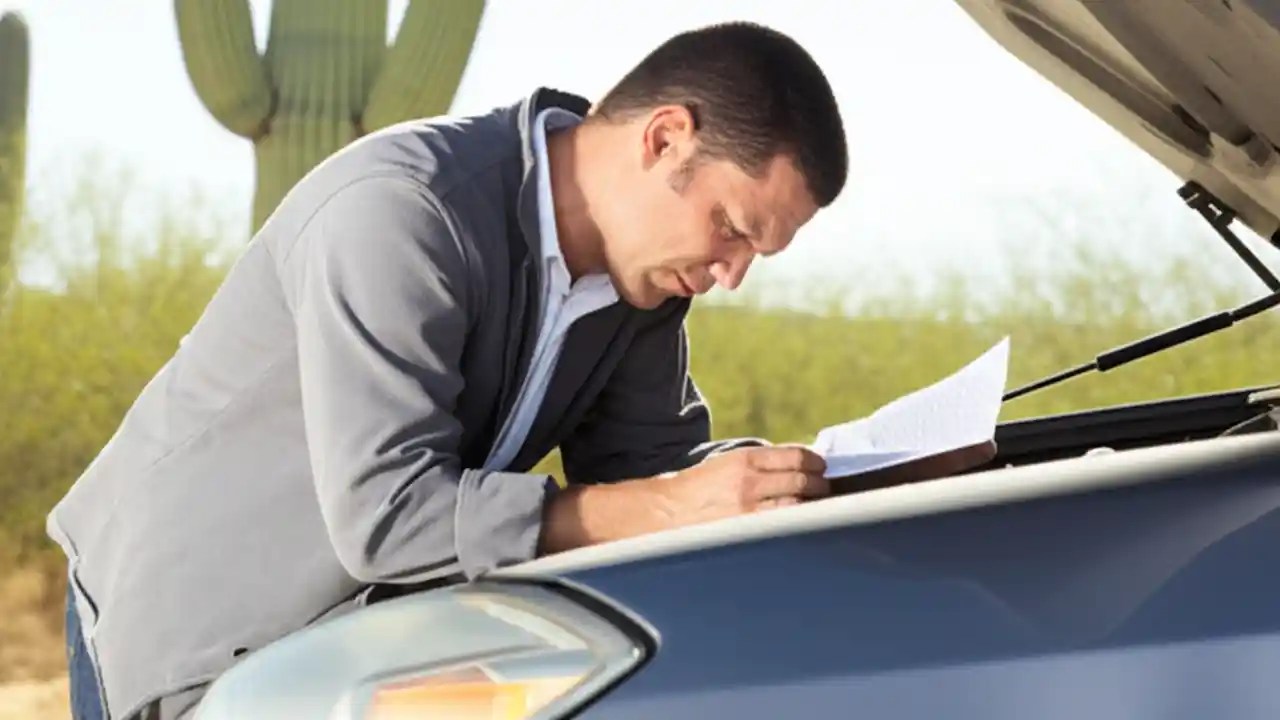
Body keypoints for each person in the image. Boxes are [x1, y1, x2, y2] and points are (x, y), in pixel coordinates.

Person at [48, 20, 990, 720]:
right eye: (733, 231)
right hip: (184, 638)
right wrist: (674, 504)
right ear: (665, 139)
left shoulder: (646, 285)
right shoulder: (402, 212)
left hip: (343, 657)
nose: (731, 274)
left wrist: (831, 484)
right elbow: (389, 516)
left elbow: (648, 481)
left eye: (756, 256)